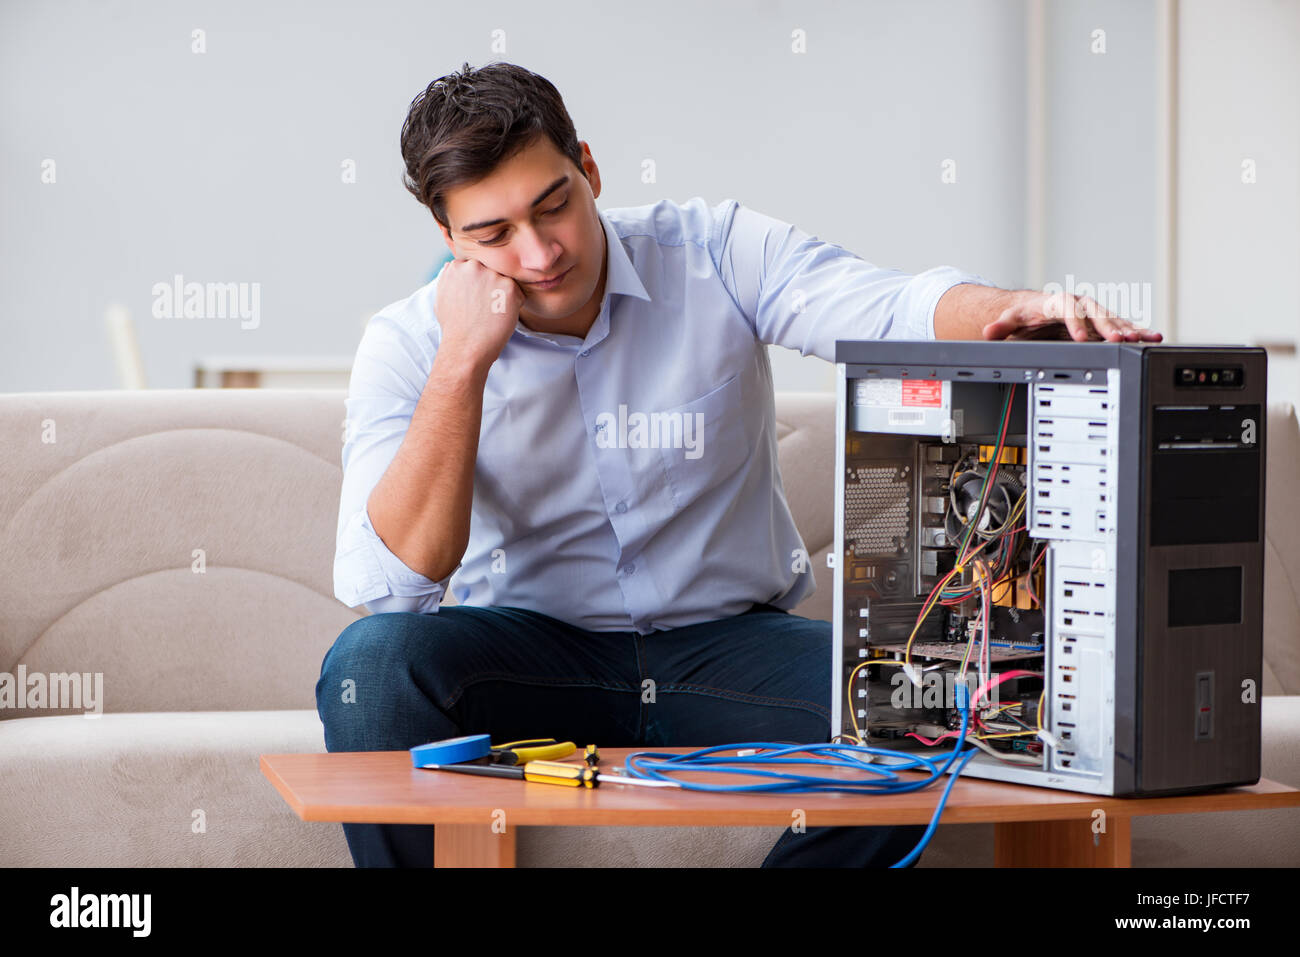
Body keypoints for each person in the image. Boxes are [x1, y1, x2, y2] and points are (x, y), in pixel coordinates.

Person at [317, 60, 1162, 868]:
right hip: (531, 656)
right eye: (494, 234)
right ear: (447, 237)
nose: (540, 255)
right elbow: (392, 590)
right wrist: (462, 362)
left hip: (726, 650)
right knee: (371, 667)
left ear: (590, 169)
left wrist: (1012, 309)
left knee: (940, 699)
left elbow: (890, 307)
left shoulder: (713, 250)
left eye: (553, 206)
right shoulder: (409, 342)